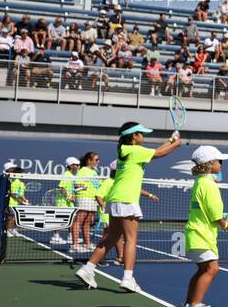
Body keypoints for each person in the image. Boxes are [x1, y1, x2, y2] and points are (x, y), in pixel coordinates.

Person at [74, 122, 184, 293]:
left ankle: (87, 269)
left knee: (111, 237)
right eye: (141, 133)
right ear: (134, 136)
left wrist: (171, 139)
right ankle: (127, 278)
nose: (144, 136)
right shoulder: (136, 151)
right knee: (130, 240)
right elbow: (160, 153)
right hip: (127, 199)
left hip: (115, 199)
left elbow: (157, 149)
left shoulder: (126, 151)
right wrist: (176, 144)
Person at [179, 146, 228, 307]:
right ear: (209, 163)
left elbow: (207, 210)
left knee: (202, 270)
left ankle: (189, 304)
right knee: (212, 269)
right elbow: (215, 218)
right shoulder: (210, 186)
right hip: (202, 235)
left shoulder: (200, 183)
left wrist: (224, 217)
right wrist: (227, 223)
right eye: (219, 161)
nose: (222, 164)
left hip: (196, 234)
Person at [70, 151, 101, 252]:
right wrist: (83, 186)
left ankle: (87, 244)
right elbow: (76, 184)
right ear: (89, 160)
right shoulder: (83, 170)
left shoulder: (94, 172)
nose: (98, 161)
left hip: (93, 199)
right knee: (79, 221)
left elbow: (97, 185)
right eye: (96, 159)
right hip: (84, 198)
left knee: (87, 222)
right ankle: (74, 244)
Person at [48, 157, 81, 245]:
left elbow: (73, 187)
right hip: (62, 202)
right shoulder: (66, 175)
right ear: (71, 165)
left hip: (68, 202)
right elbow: (62, 188)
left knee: (72, 219)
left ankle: (70, 237)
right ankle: (56, 237)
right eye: (76, 165)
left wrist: (76, 193)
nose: (77, 167)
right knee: (60, 219)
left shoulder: (71, 176)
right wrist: (67, 197)